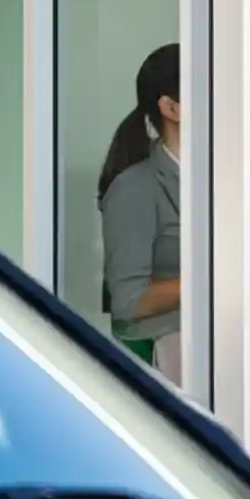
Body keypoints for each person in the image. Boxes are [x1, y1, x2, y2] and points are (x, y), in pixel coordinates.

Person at [98, 43, 183, 385]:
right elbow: (129, 303)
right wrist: (214, 281)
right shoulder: (135, 188)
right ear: (171, 107)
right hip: (174, 360)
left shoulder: (233, 183)